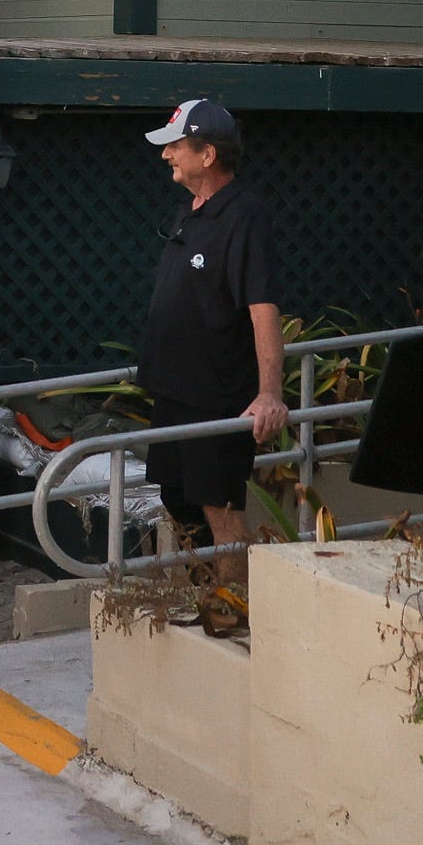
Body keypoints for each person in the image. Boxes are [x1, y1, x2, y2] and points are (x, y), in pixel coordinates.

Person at [137, 99, 287, 571]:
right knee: (178, 501)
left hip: (216, 397)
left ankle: (236, 615)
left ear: (208, 155)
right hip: (172, 393)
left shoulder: (245, 215)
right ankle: (207, 603)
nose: (166, 155)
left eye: (176, 146)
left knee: (219, 511)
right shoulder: (189, 213)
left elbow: (264, 308)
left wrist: (269, 394)